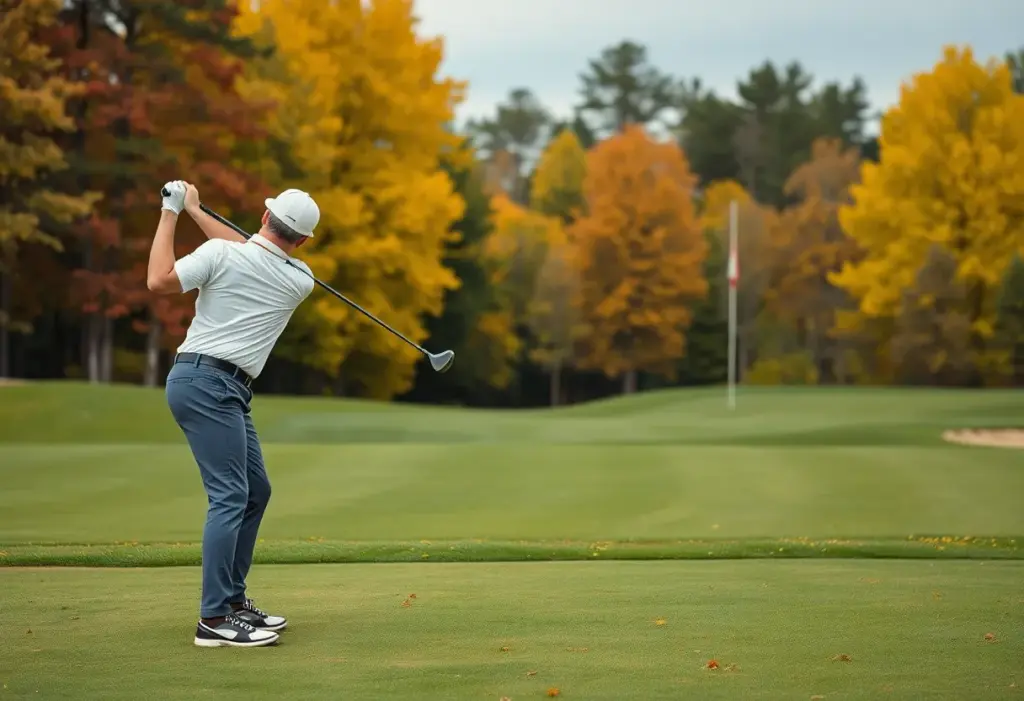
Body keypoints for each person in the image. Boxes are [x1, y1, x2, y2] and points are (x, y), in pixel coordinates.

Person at [147, 180, 318, 647]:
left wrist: (174, 211)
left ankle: (234, 602)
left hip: (214, 385)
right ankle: (213, 618)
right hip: (207, 384)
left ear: (265, 217)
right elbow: (249, 252)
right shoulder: (300, 278)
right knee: (230, 496)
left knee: (254, 491)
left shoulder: (223, 256)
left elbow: (158, 280)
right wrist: (197, 213)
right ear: (303, 241)